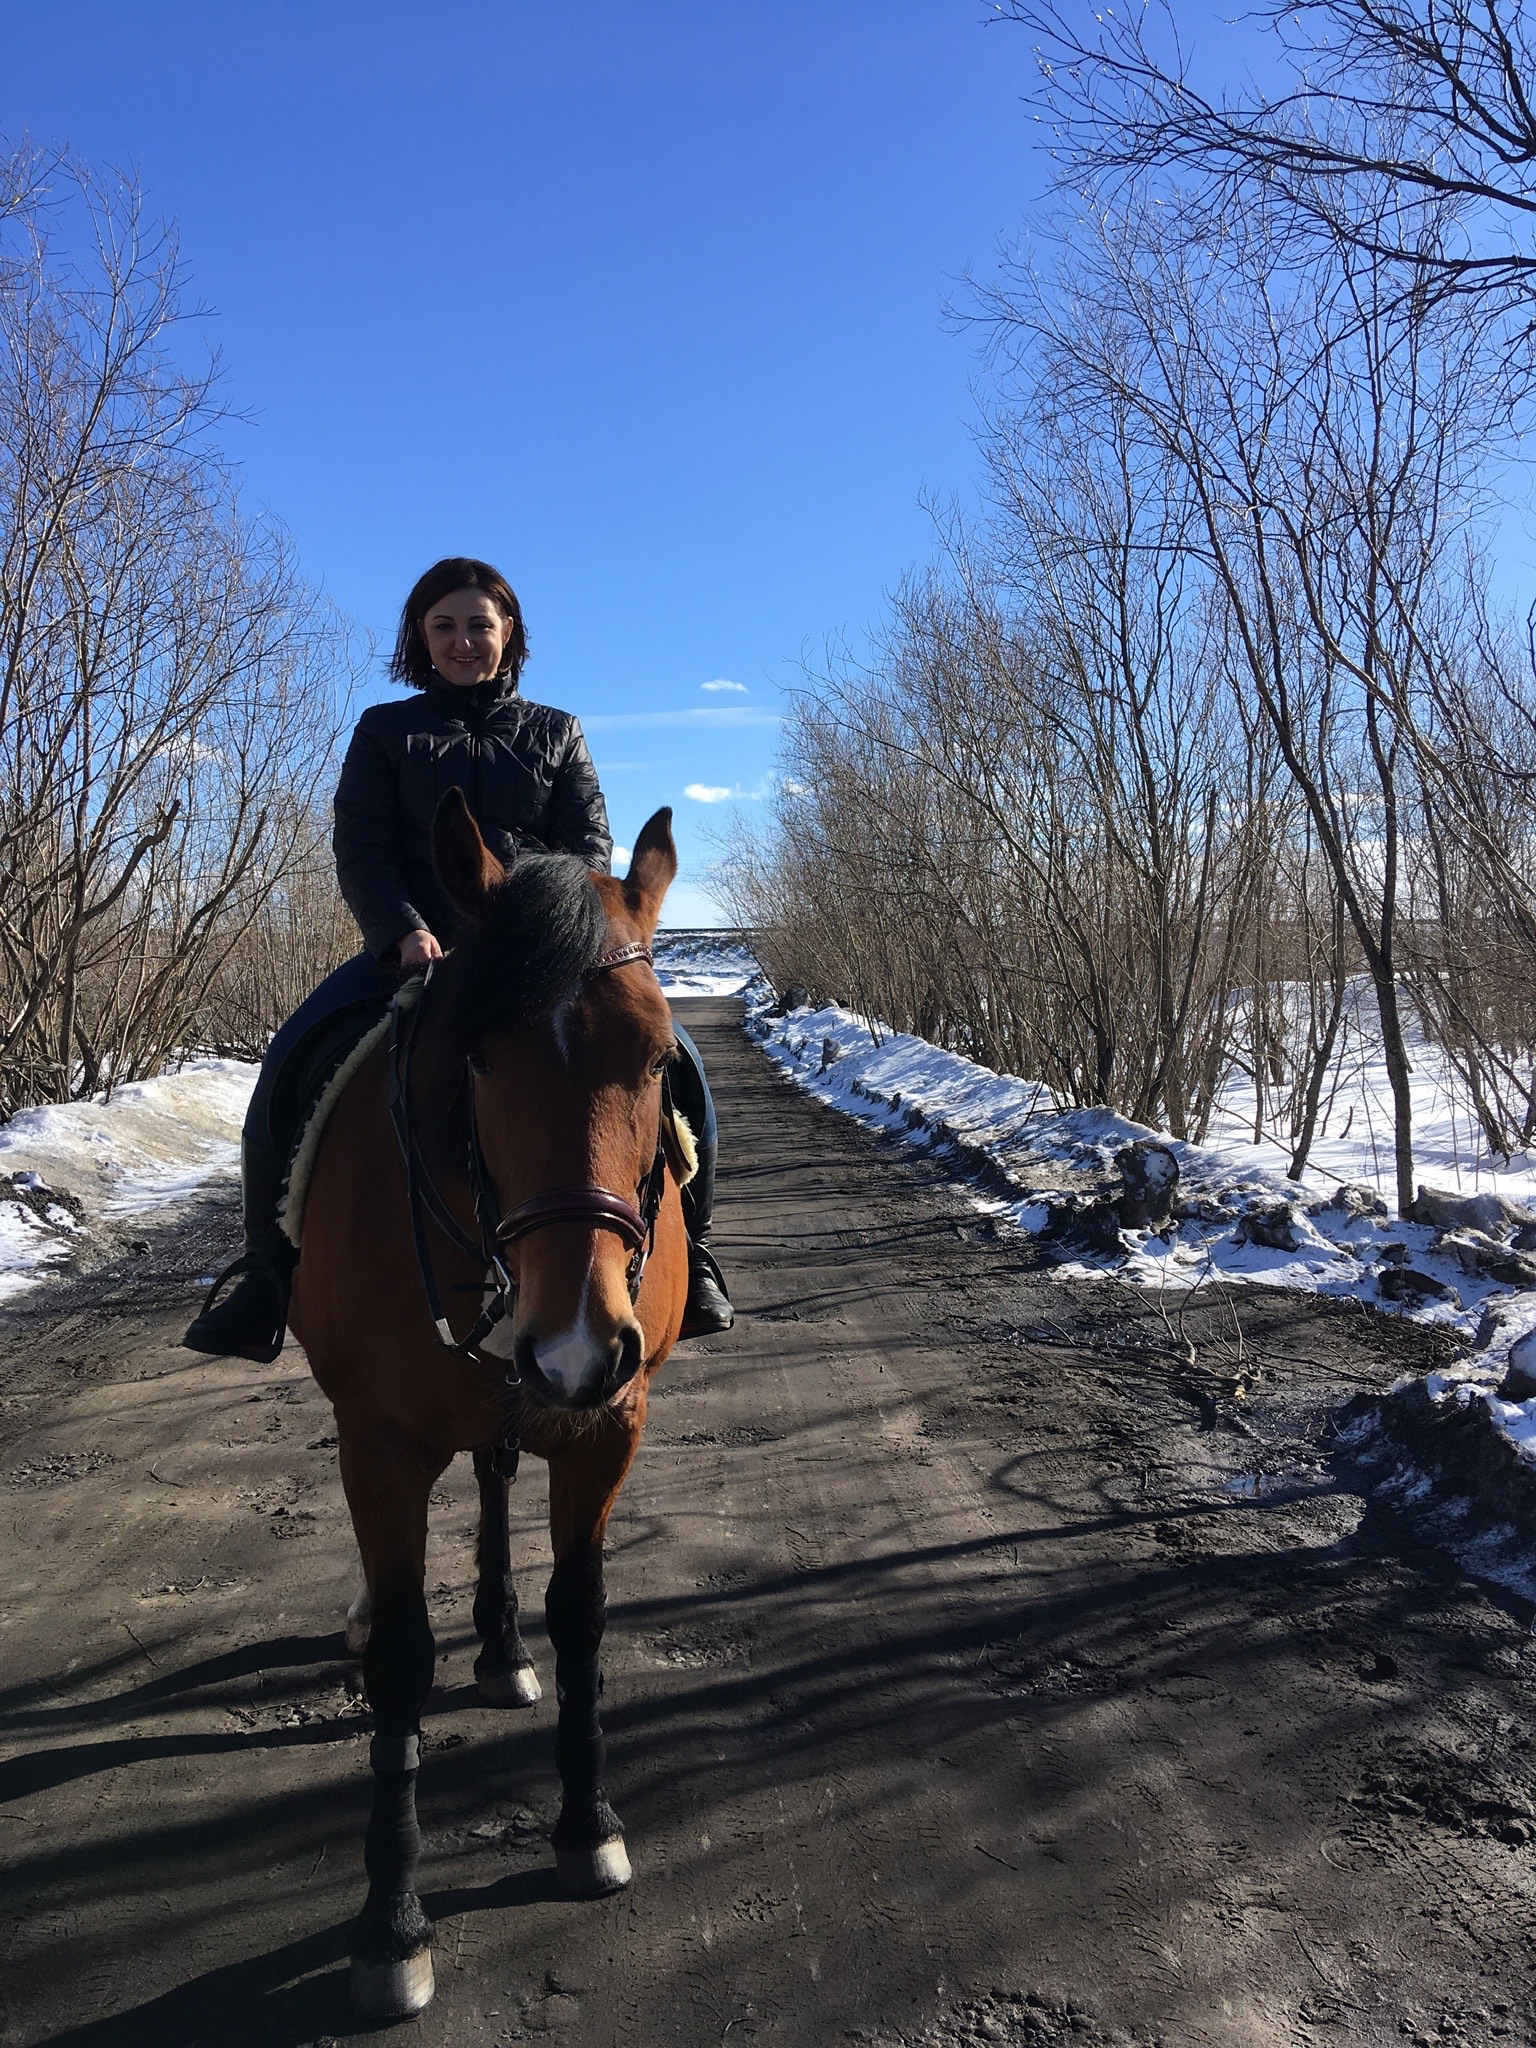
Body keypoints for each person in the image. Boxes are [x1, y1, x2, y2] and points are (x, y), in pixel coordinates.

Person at [183, 556, 734, 1364]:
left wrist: (546, 933)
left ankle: (702, 1252)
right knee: (289, 1064)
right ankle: (267, 1279)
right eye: (444, 626)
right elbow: (363, 850)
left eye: (479, 624)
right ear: (421, 638)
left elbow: (586, 847)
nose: (463, 640)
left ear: (509, 635)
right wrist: (403, 930)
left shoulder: (557, 732)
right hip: (412, 957)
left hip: (542, 965)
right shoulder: (384, 733)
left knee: (677, 1065)